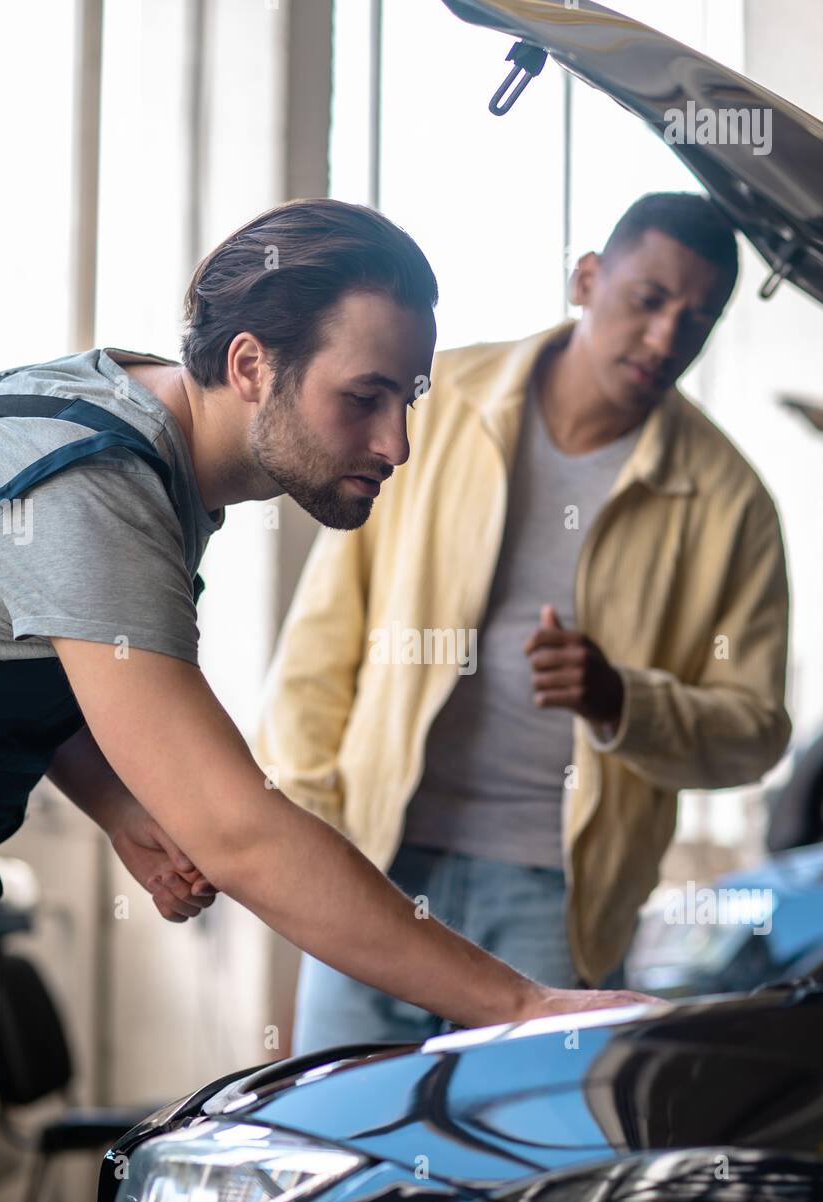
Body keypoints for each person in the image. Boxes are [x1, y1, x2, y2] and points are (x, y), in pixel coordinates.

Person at [0, 198, 653, 1038]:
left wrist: (122, 805)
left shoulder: (116, 413)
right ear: (250, 365)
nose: (397, 444)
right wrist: (527, 1005)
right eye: (364, 396)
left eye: (408, 397)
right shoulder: (96, 480)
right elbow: (240, 831)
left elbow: (34, 645)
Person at [256, 193, 791, 1053]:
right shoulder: (433, 405)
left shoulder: (730, 502)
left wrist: (625, 701)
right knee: (336, 1145)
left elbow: (756, 734)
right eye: (647, 300)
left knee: (517, 1168)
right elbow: (325, 639)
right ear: (587, 279)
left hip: (557, 894)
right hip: (373, 862)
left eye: (695, 321)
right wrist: (310, 834)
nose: (664, 340)